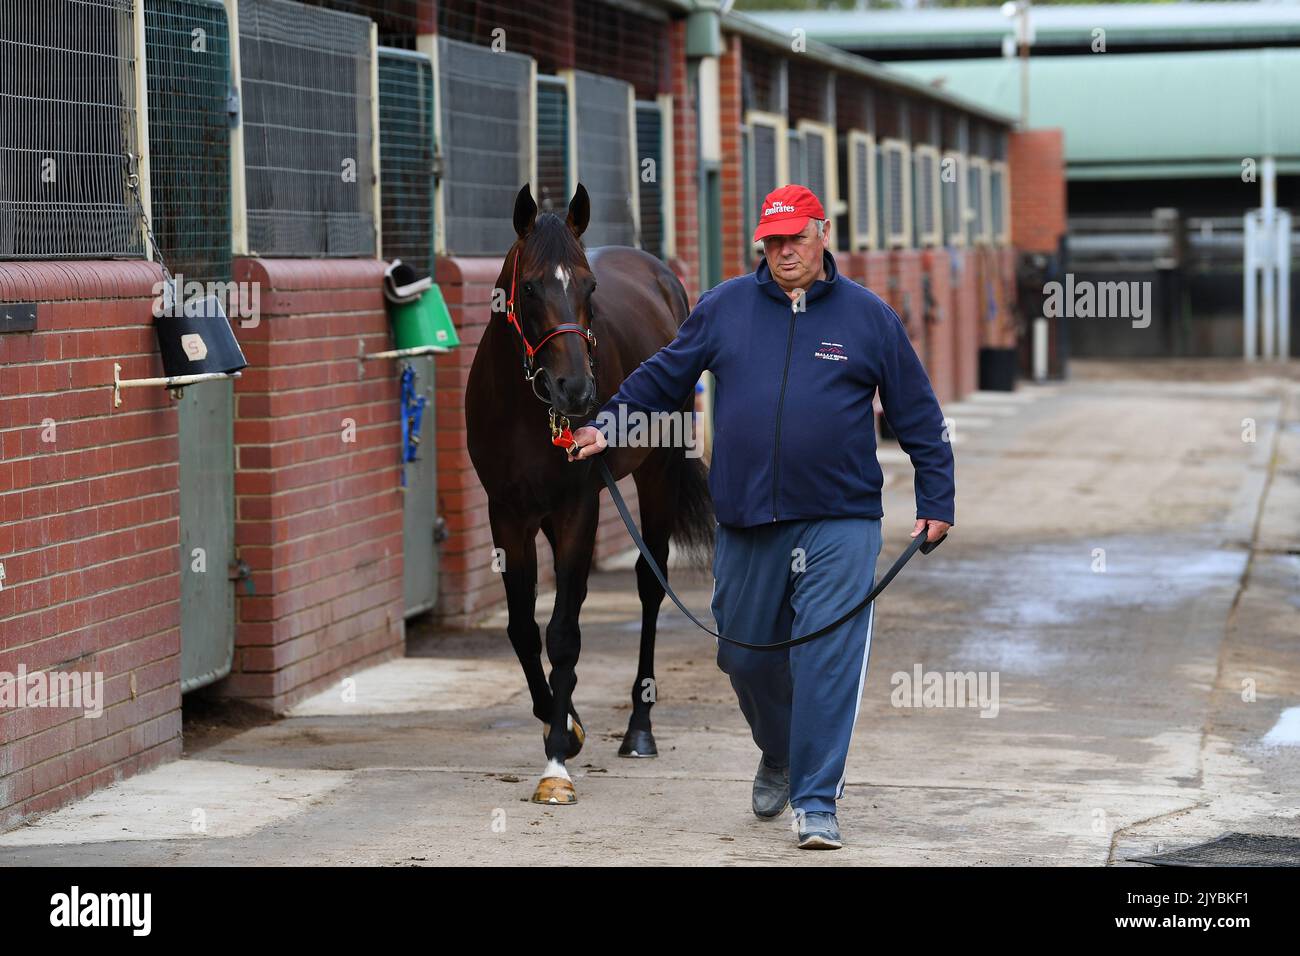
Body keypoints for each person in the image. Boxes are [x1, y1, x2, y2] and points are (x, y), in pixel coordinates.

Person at [567, 184, 954, 849]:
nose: (783, 251)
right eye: (772, 241)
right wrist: (609, 423)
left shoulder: (869, 318)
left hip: (841, 517)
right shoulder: (726, 308)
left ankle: (816, 801)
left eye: (794, 238)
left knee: (825, 657)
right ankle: (778, 750)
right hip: (747, 517)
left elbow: (918, 413)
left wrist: (936, 499)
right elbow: (666, 374)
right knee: (742, 656)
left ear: (822, 233)